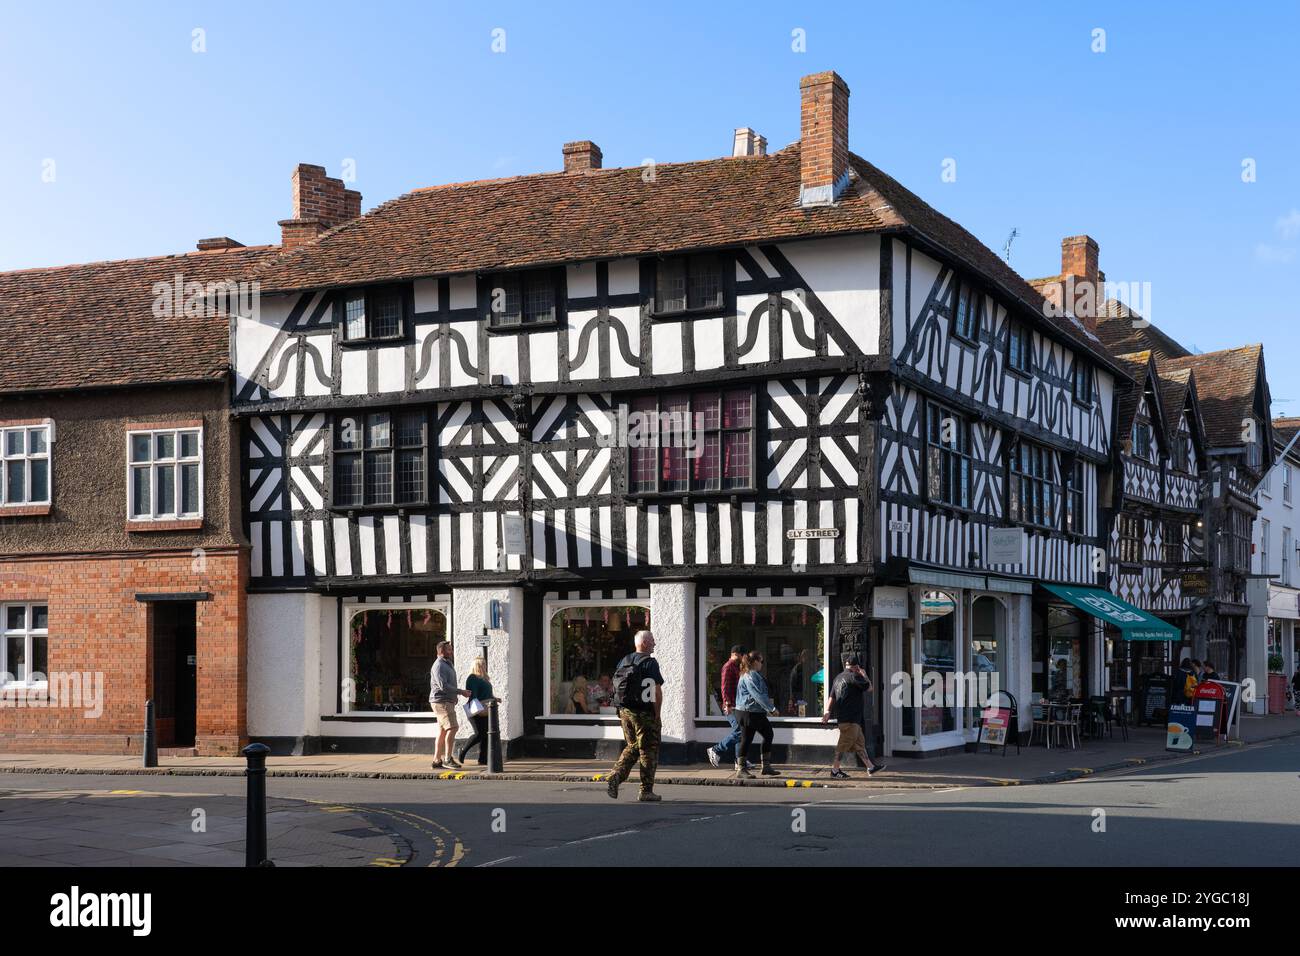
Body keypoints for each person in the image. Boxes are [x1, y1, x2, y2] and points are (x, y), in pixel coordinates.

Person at [606, 630, 666, 802]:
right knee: (648, 750)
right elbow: (656, 690)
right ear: (645, 643)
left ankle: (616, 775)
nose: (654, 643)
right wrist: (657, 713)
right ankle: (646, 791)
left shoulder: (624, 660)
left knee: (633, 745)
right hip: (644, 712)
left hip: (624, 711)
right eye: (653, 641)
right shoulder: (650, 663)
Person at [822, 656, 886, 778]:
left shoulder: (838, 678)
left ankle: (870, 767)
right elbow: (870, 688)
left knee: (859, 744)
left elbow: (832, 697)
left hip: (845, 719)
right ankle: (834, 771)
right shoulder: (855, 676)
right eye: (858, 667)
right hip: (851, 720)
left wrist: (827, 712)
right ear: (856, 667)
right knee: (842, 746)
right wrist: (864, 675)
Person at [733, 652, 780, 779]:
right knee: (748, 739)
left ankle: (765, 766)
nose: (762, 664)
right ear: (755, 662)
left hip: (752, 712)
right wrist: (771, 708)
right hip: (748, 712)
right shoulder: (750, 675)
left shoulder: (752, 674)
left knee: (764, 734)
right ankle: (741, 769)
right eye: (761, 661)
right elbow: (757, 694)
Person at [430, 641, 472, 770]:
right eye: (449, 650)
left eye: (451, 649)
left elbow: (448, 685)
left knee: (443, 730)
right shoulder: (439, 665)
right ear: (441, 651)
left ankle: (437, 760)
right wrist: (461, 692)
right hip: (441, 702)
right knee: (453, 728)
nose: (451, 652)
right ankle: (447, 759)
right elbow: (443, 686)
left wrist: (454, 697)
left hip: (445, 701)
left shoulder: (446, 664)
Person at [706, 644, 748, 769]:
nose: (743, 657)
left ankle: (739, 761)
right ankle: (716, 749)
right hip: (731, 706)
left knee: (740, 732)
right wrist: (728, 703)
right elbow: (724, 687)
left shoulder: (735, 666)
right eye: (742, 655)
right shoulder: (728, 667)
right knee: (740, 732)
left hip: (737, 705)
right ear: (736, 654)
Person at [457, 657, 498, 765]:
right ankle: (462, 751)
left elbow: (487, 694)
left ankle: (483, 759)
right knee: (479, 733)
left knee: (485, 734)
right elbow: (473, 696)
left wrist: (495, 698)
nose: (485, 666)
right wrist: (478, 710)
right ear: (477, 666)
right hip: (475, 709)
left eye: (485, 664)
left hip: (486, 709)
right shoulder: (472, 678)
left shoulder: (485, 678)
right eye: (482, 664)